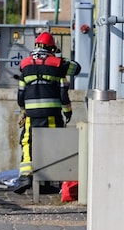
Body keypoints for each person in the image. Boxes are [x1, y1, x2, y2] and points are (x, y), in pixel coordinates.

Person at [11, 31, 77, 194]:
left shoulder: (25, 64)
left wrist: (23, 110)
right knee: (52, 145)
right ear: (51, 48)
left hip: (31, 114)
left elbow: (20, 95)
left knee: (27, 142)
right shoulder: (58, 64)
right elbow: (76, 69)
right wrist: (67, 111)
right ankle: (48, 181)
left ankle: (26, 176)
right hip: (52, 114)